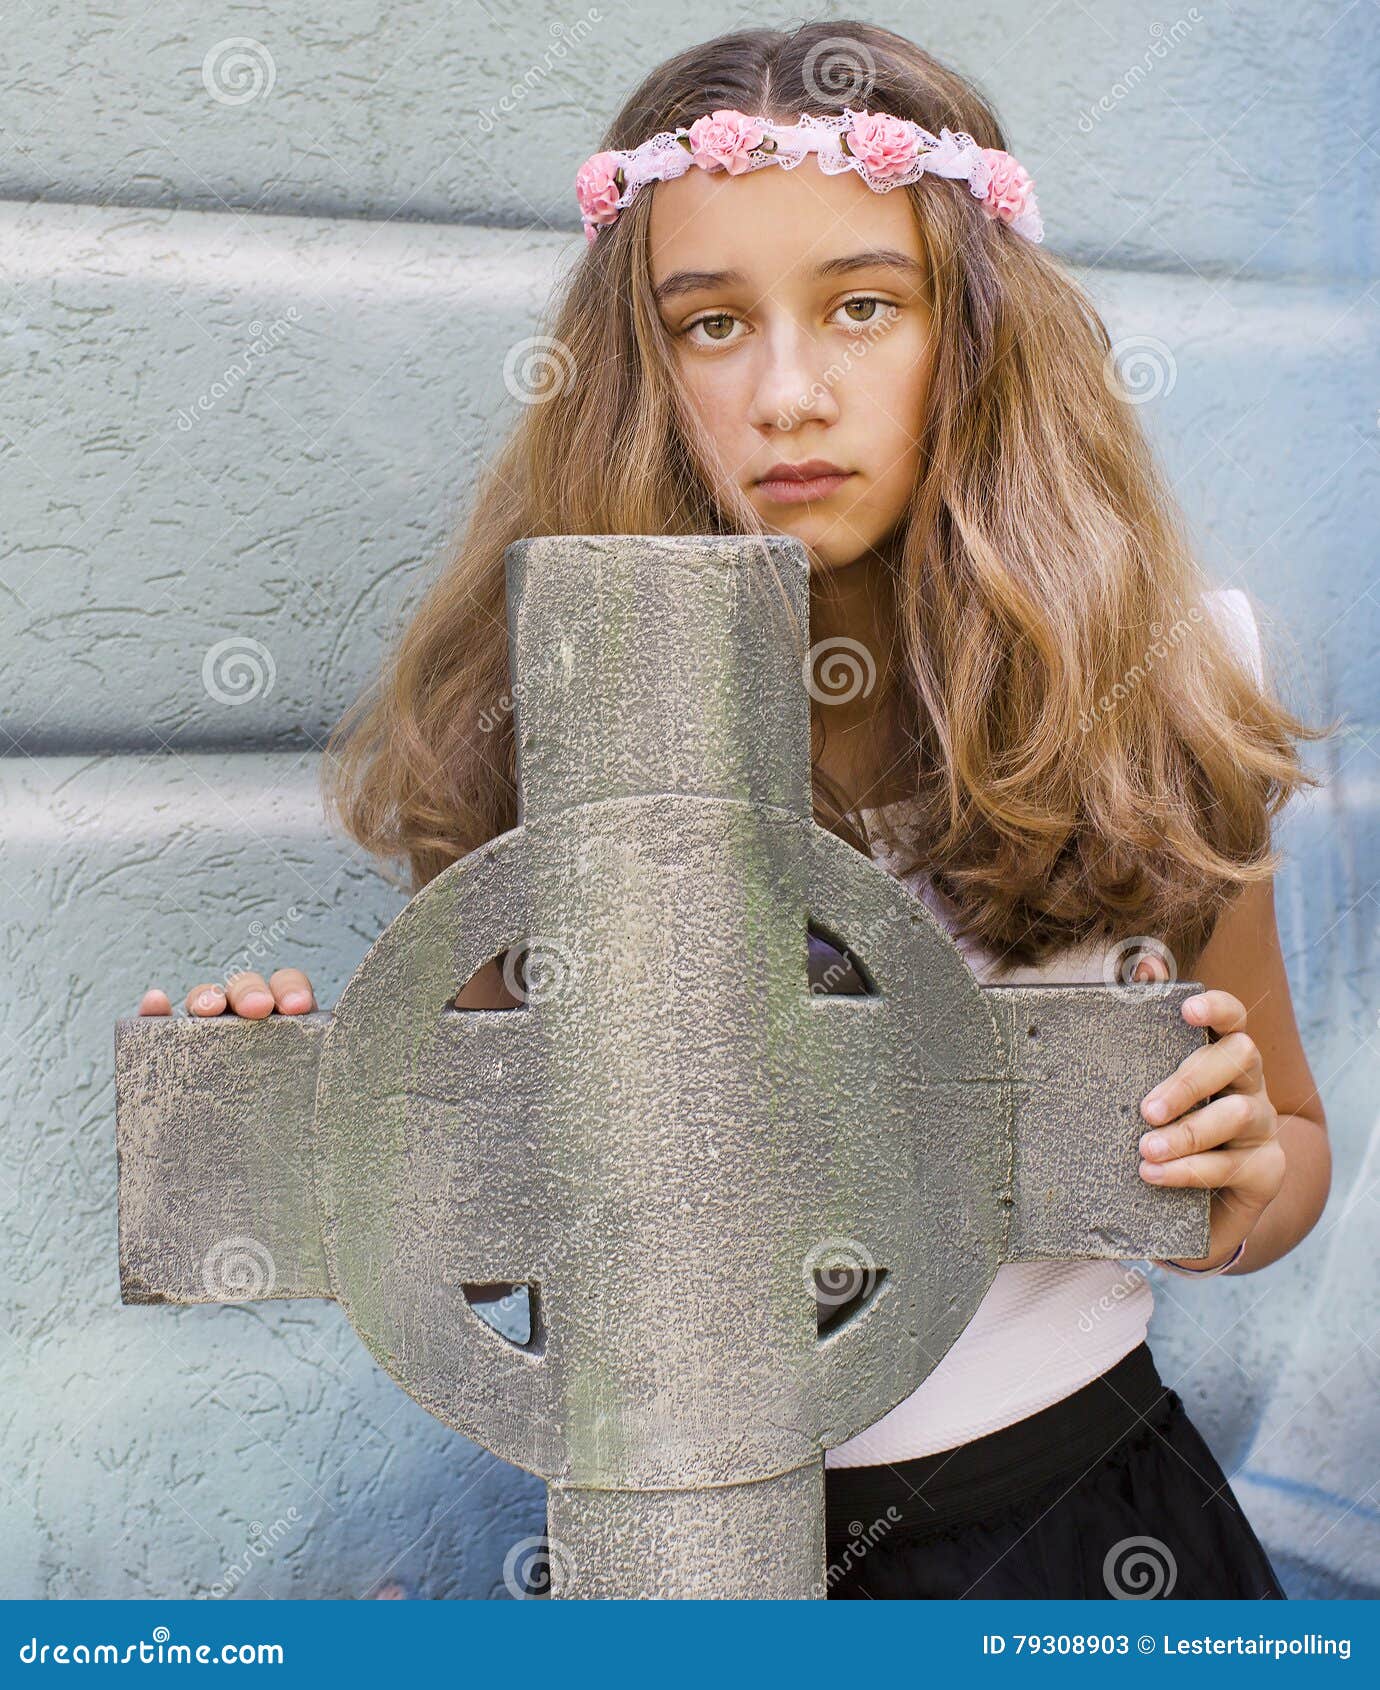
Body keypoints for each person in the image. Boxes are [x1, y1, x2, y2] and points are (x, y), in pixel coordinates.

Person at [138, 19, 1335, 1600]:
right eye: (710, 326)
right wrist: (315, 1113)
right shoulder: (523, 717)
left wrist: (1247, 1185)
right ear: (637, 368)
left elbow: (1291, 1138)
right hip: (662, 1545)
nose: (787, 391)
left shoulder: (1159, 684)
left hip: (1074, 1533)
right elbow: (504, 1224)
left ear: (976, 334)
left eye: (863, 306)